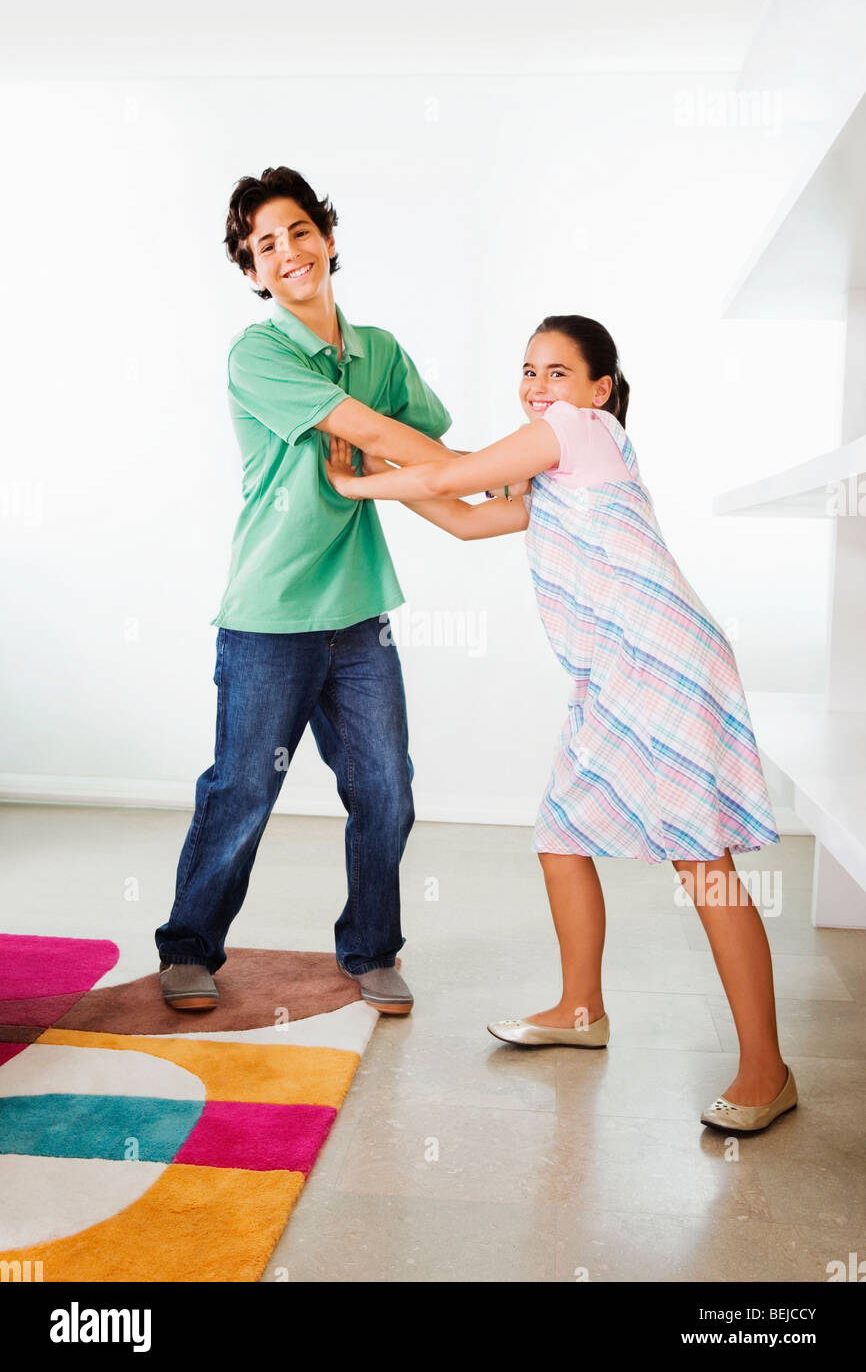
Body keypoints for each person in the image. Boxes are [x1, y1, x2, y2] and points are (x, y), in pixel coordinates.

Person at [324, 313, 797, 1134]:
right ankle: (582, 1011)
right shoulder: (556, 467)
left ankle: (769, 1070)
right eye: (528, 371)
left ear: (599, 390)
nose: (538, 386)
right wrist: (378, 465)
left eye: (557, 372)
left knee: (702, 863)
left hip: (662, 665)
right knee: (562, 836)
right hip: (609, 675)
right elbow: (466, 511)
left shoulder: (579, 432)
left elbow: (454, 474)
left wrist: (353, 483)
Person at [154, 166, 513, 1016]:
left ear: (328, 239)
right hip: (269, 616)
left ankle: (372, 950)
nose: (288, 252)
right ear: (252, 270)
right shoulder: (258, 354)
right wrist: (496, 473)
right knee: (243, 789)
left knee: (386, 788)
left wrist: (502, 488)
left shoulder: (379, 352)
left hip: (357, 615)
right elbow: (370, 431)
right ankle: (189, 948)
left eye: (300, 231)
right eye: (265, 245)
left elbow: (420, 456)